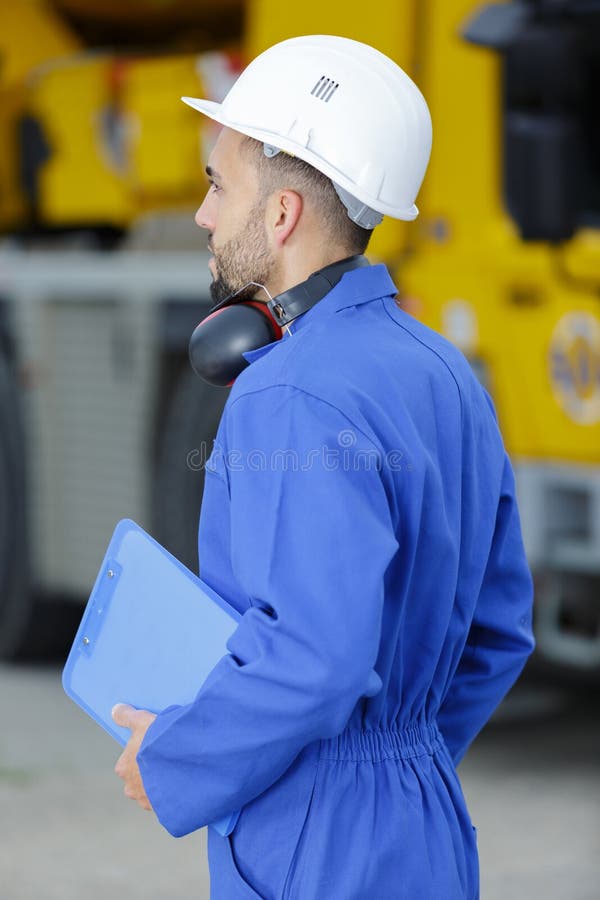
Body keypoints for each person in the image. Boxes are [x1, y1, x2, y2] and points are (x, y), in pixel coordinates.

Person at [112, 35, 535, 899]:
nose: (202, 214)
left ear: (281, 215)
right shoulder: (443, 369)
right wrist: (398, 763)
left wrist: (175, 758)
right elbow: (500, 628)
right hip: (424, 823)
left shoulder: (288, 393)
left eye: (218, 185)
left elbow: (313, 653)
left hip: (314, 843)